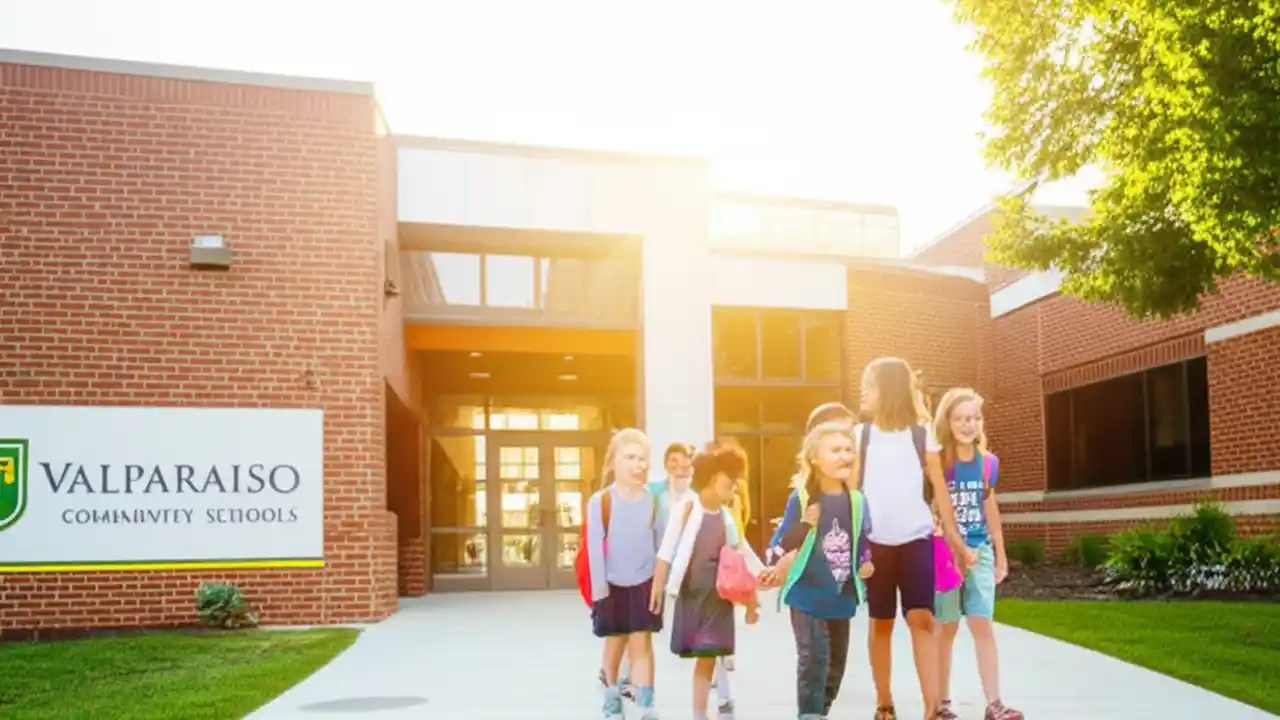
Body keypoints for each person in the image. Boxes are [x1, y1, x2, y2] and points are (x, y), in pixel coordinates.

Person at [855, 357, 966, 720]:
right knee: (881, 622)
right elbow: (853, 491)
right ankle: (884, 702)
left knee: (922, 619)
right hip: (876, 543)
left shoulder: (921, 434)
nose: (862, 391)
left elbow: (939, 488)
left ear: (887, 389)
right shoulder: (862, 436)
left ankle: (932, 707)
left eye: (868, 384)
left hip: (916, 538)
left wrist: (954, 538)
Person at [761, 421, 875, 720]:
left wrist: (866, 560)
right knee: (814, 657)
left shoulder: (856, 500)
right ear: (815, 458)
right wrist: (806, 524)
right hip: (806, 595)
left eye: (848, 449)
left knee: (836, 665)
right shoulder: (801, 499)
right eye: (835, 450)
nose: (844, 456)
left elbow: (862, 538)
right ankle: (809, 714)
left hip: (840, 596)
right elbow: (779, 544)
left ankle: (819, 712)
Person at [652, 442, 763, 720]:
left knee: (709, 656)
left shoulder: (726, 517)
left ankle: (707, 709)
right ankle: (700, 713)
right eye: (729, 483)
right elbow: (666, 550)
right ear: (713, 481)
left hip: (719, 600)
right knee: (704, 658)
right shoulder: (687, 509)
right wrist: (658, 587)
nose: (734, 489)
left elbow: (739, 560)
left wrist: (752, 600)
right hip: (693, 596)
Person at [931, 388, 1023, 720]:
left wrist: (1000, 553)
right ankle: (941, 704)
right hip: (947, 555)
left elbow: (990, 508)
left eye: (974, 418)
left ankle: (994, 703)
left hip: (980, 550)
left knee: (983, 625)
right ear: (948, 422)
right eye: (960, 418)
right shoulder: (939, 462)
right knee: (947, 627)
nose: (968, 425)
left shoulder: (988, 464)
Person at [586, 428, 663, 720]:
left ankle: (646, 705)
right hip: (611, 585)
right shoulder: (600, 502)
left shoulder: (654, 500)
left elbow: (660, 544)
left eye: (643, 458)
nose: (638, 464)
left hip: (644, 583)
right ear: (614, 462)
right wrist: (599, 593)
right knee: (615, 642)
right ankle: (611, 698)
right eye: (630, 457)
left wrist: (659, 584)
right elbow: (594, 549)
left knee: (642, 643)